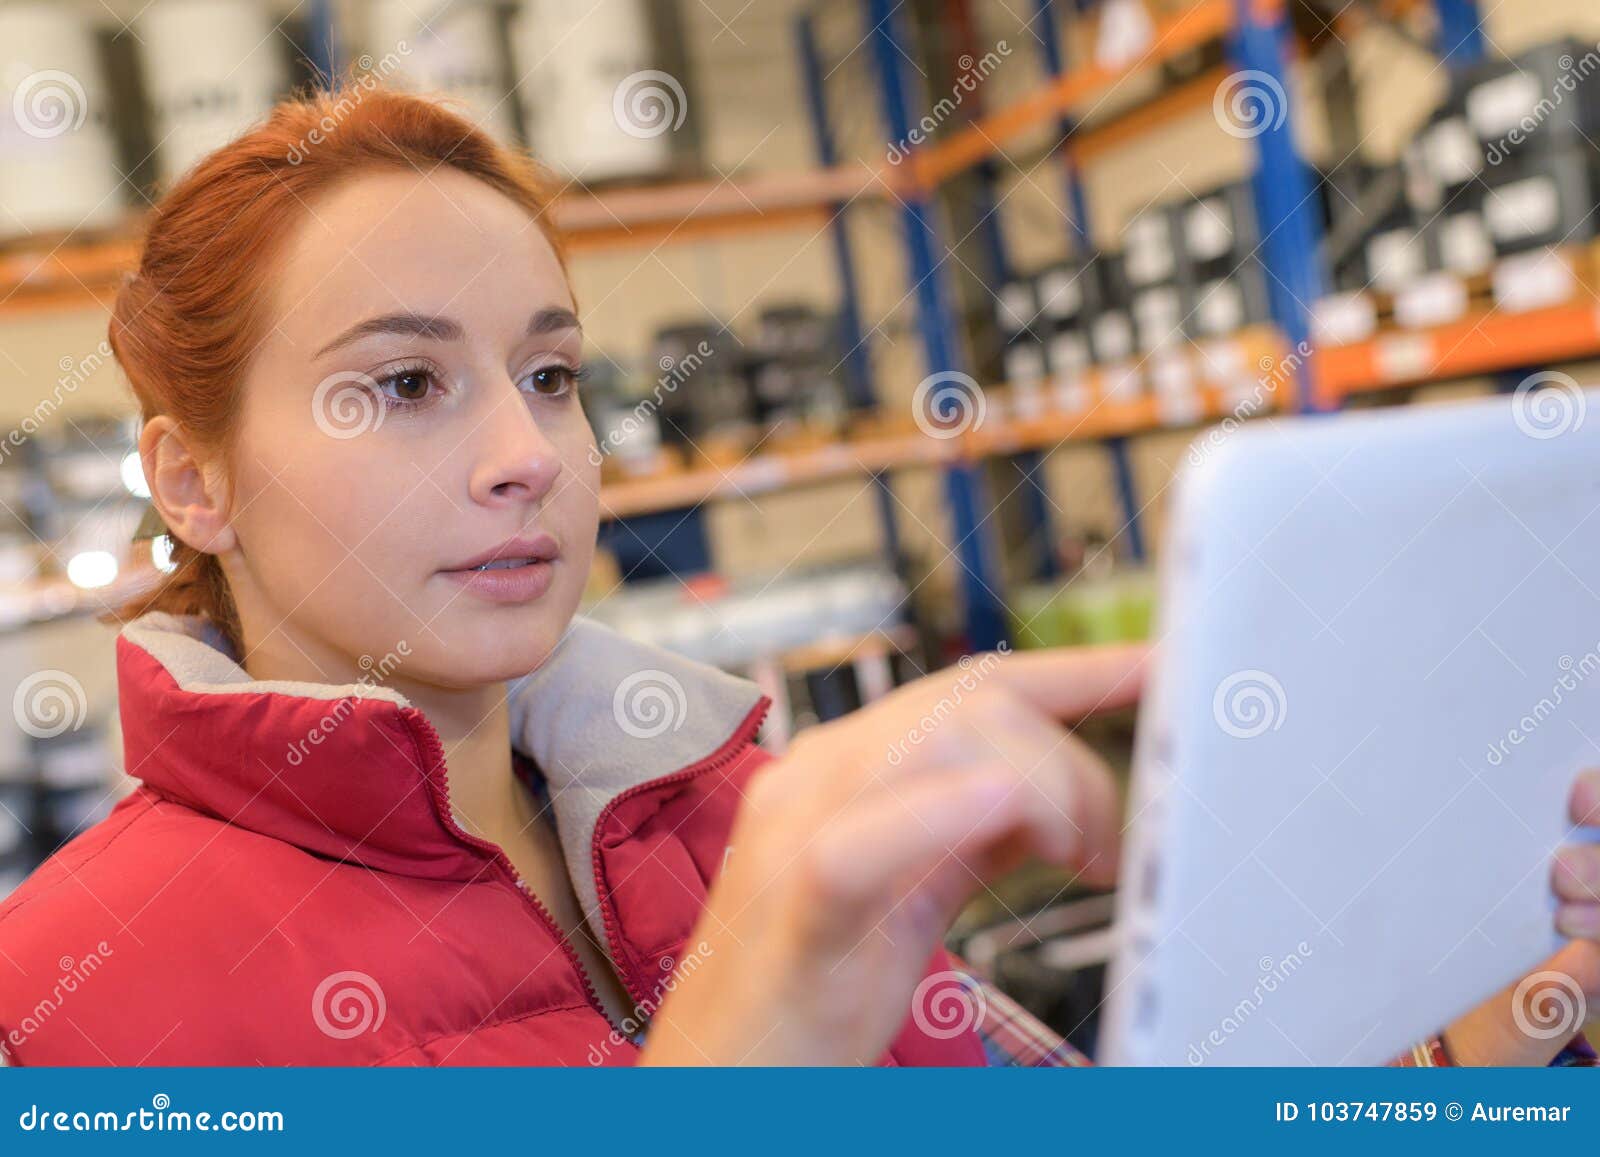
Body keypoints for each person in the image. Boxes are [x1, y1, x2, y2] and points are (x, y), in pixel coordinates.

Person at [0, 89, 1594, 1067]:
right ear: (189, 480)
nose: (528, 454)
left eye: (551, 375)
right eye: (407, 384)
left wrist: (1497, 1015)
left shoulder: (743, 819)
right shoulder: (60, 1004)